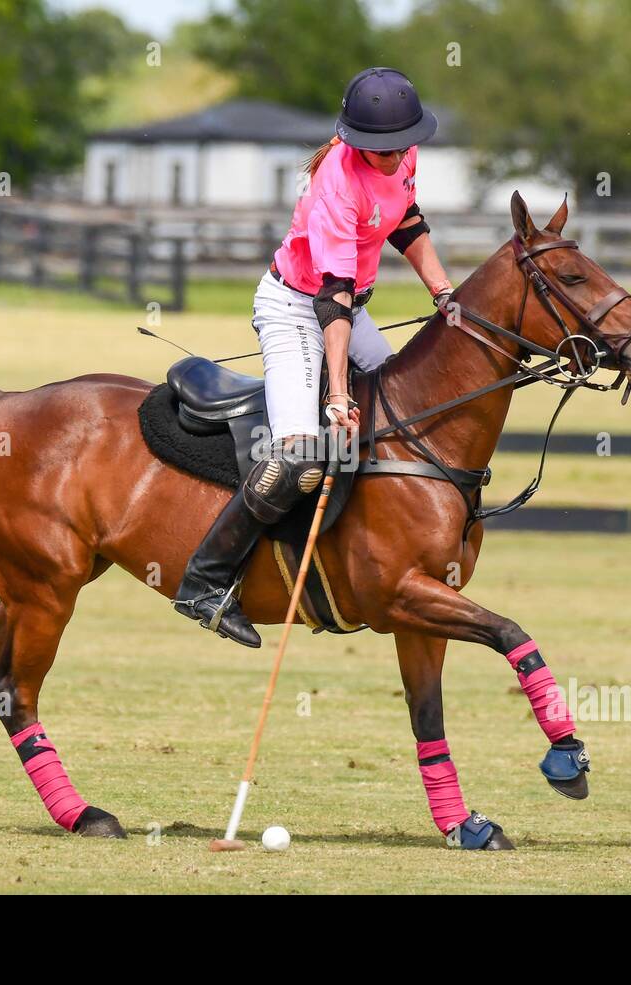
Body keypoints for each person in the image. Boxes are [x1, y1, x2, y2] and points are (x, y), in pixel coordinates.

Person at [172, 67, 456, 647]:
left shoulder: (401, 159)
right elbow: (333, 301)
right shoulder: (337, 183)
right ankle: (204, 582)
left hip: (351, 308)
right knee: (300, 453)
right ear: (355, 140)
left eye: (402, 144)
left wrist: (445, 294)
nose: (395, 154)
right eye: (383, 147)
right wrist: (338, 394)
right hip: (300, 308)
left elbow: (406, 222)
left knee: (407, 413)